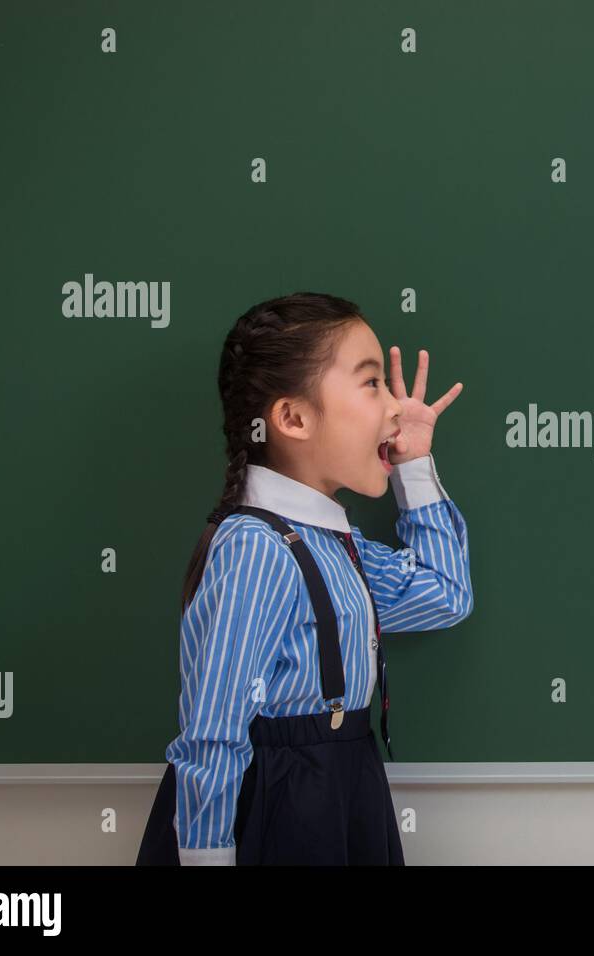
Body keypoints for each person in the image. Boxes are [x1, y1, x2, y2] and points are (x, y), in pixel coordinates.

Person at [136, 291, 472, 865]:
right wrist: (205, 859)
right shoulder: (256, 549)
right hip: (287, 803)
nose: (393, 407)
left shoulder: (336, 545)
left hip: (346, 788)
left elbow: (443, 593)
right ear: (292, 418)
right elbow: (213, 733)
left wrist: (413, 464)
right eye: (372, 384)